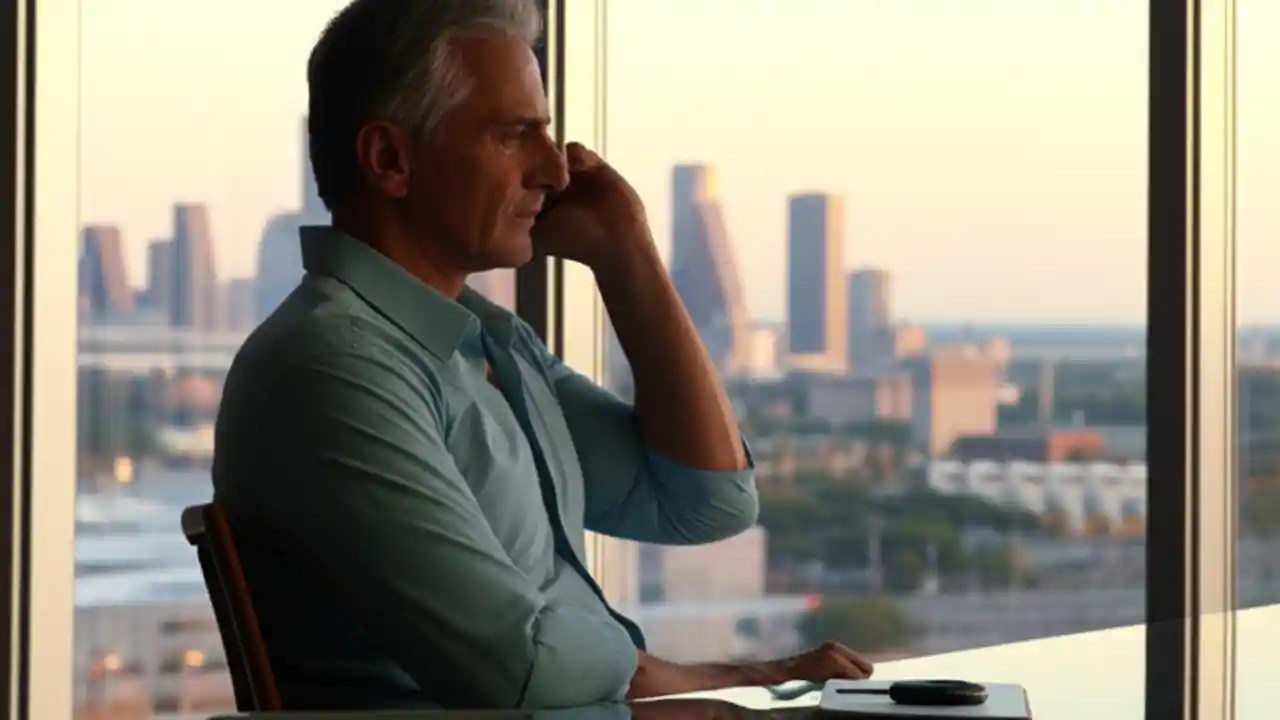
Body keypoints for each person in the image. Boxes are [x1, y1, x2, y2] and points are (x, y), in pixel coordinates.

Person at [212, 0, 872, 710]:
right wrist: (682, 676)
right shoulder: (333, 372)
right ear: (390, 160)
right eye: (514, 136)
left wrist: (627, 254)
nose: (556, 172)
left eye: (548, 135)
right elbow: (517, 670)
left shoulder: (485, 346)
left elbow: (705, 502)